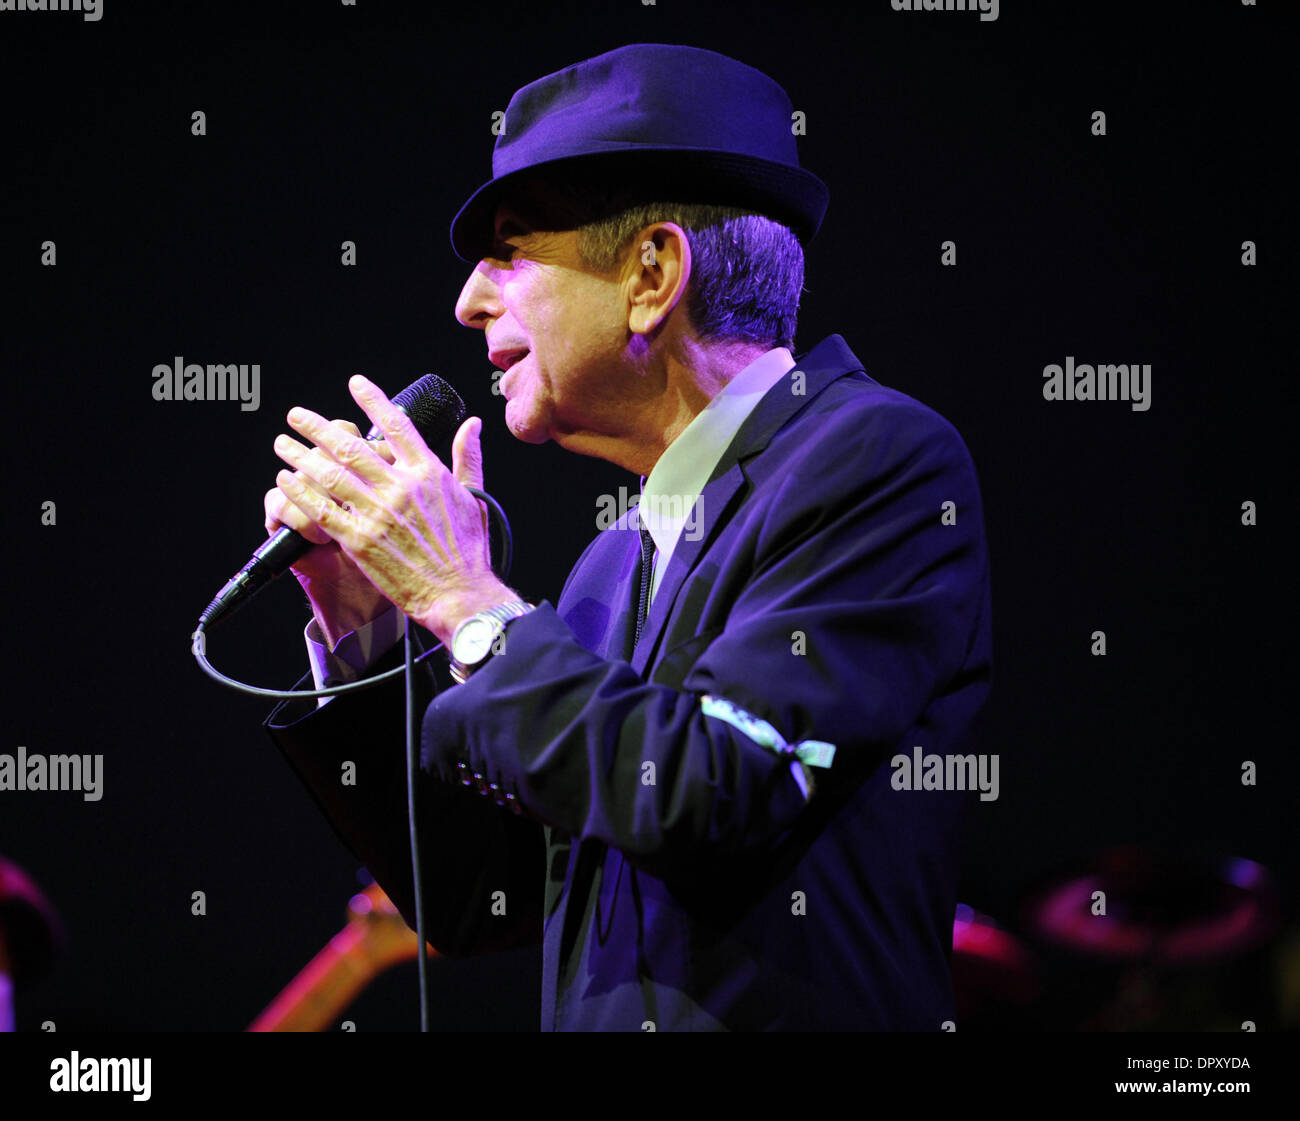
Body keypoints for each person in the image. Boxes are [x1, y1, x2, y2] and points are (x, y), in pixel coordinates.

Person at [262, 43, 993, 1030]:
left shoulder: (877, 458)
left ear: (652, 272)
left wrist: (463, 600)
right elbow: (485, 894)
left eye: (511, 250)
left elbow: (718, 787)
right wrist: (367, 628)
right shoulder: (611, 563)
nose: (467, 300)